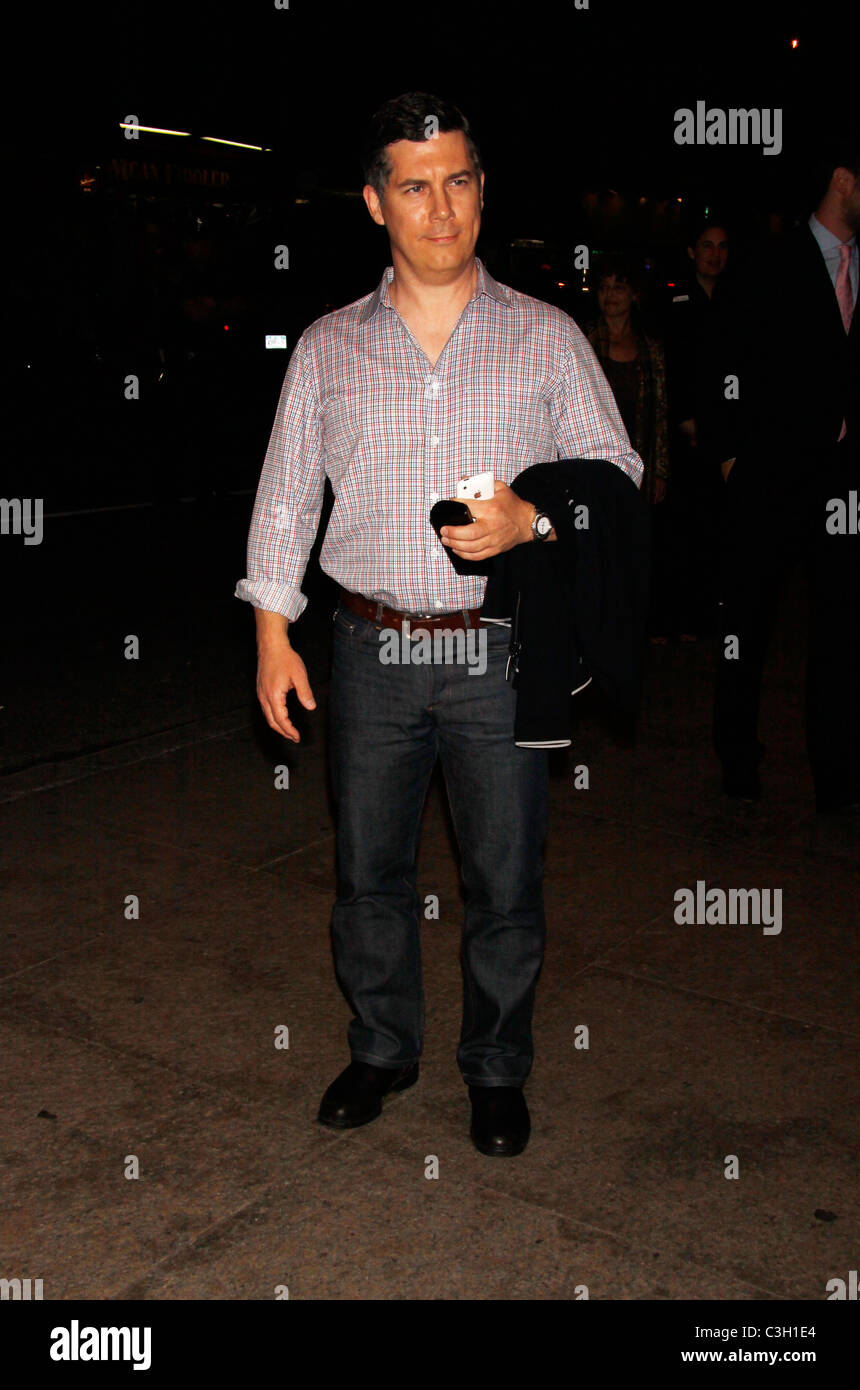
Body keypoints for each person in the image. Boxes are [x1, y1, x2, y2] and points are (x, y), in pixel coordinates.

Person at [235, 92, 643, 1157]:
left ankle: (497, 1067)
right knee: (368, 872)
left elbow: (619, 471)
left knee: (503, 880)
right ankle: (381, 1048)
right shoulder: (327, 346)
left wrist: (535, 516)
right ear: (375, 202)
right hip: (367, 649)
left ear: (478, 191)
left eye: (457, 179)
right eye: (413, 185)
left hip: (495, 651)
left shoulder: (545, 336)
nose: (439, 204)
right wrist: (273, 631)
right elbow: (286, 496)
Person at [706, 144, 860, 811]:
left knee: (842, 628)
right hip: (770, 474)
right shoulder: (771, 260)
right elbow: (725, 352)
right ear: (844, 181)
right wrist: (728, 453)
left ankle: (836, 772)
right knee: (750, 619)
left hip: (847, 484)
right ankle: (738, 760)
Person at [585, 257, 668, 638]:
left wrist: (660, 470)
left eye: (619, 287)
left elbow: (661, 413)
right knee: (595, 550)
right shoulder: (582, 341)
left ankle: (630, 627)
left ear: (633, 295)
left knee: (634, 551)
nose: (611, 296)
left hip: (639, 461)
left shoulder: (650, 348)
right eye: (604, 287)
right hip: (594, 467)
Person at [664, 220, 731, 640]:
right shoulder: (673, 299)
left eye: (723, 247)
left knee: (718, 525)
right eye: (707, 246)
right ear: (692, 251)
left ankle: (711, 613)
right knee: (680, 526)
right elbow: (669, 364)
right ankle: (677, 617)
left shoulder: (736, 299)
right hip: (683, 432)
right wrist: (684, 416)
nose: (715, 254)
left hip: (724, 430)